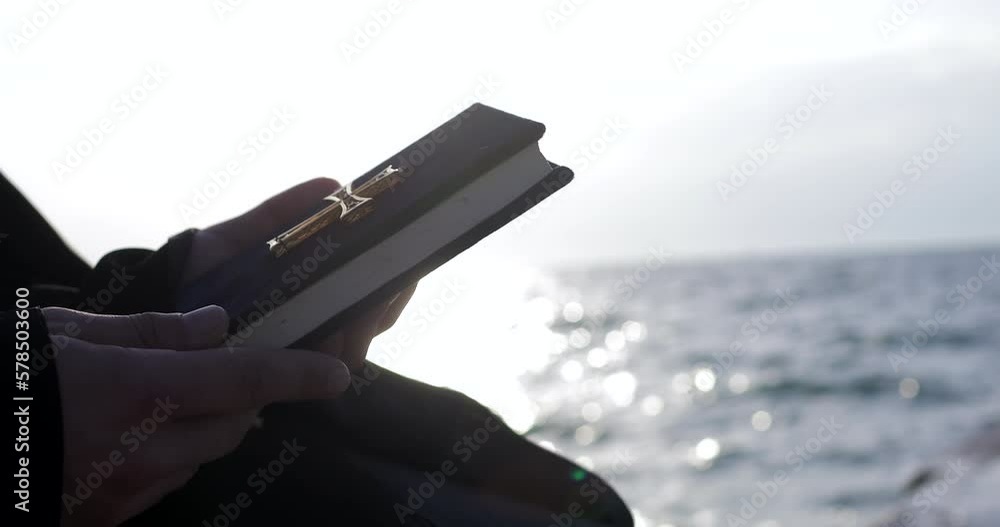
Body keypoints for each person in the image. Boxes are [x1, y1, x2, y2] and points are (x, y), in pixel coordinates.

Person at [3, 173, 633, 526]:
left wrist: (169, 287)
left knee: (585, 510)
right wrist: (28, 447)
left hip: (255, 429)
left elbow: (45, 292)